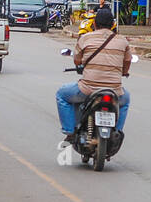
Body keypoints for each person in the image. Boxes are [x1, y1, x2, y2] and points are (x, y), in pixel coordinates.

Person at [57, 8, 133, 144]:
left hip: (87, 89)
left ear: (95, 24)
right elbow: (127, 62)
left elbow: (77, 61)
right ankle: (117, 132)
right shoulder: (123, 41)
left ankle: (70, 131)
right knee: (125, 100)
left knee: (62, 95)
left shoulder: (85, 38)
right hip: (114, 91)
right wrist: (123, 72)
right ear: (112, 25)